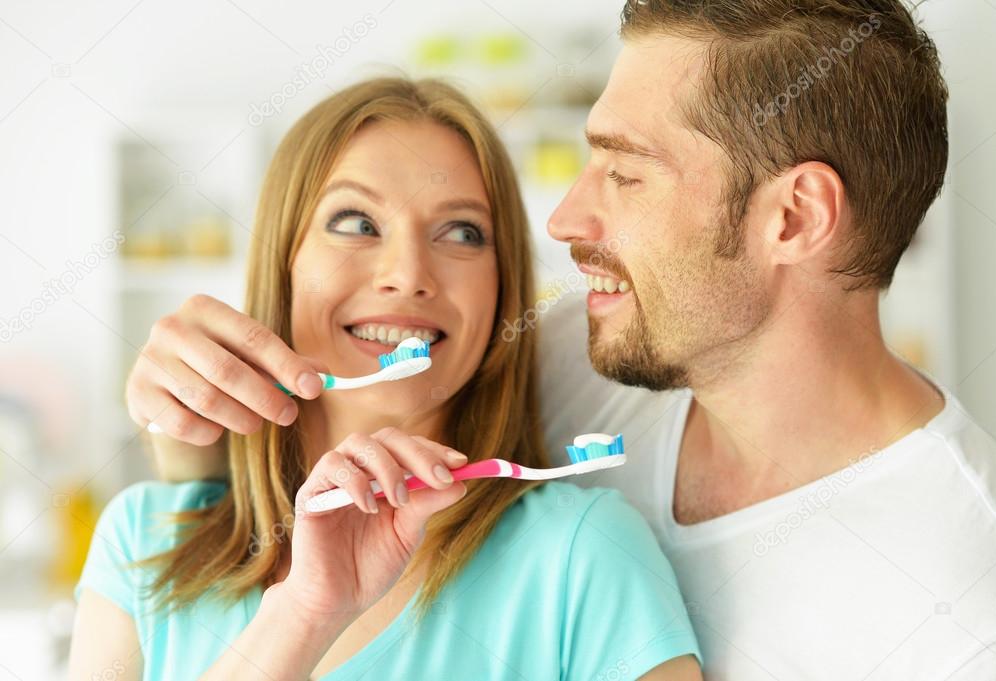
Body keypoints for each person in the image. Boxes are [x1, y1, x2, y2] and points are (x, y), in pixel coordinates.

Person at [117, 1, 996, 679]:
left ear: (791, 217)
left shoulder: (972, 607)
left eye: (625, 173)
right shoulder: (582, 353)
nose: (562, 216)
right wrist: (188, 430)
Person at [69, 77, 702, 681]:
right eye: (357, 224)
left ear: (502, 290)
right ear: (283, 263)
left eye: (462, 232)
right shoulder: (144, 544)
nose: (407, 274)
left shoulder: (585, 553)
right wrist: (303, 616)